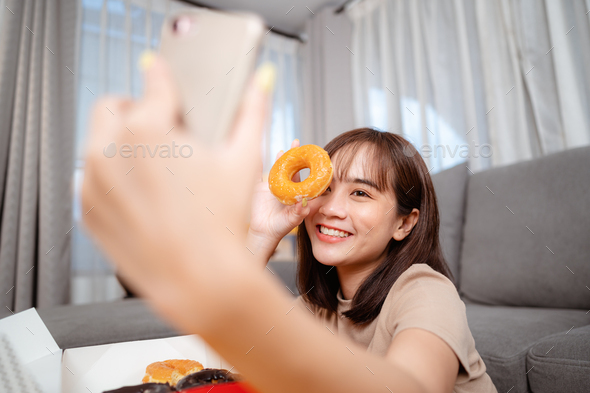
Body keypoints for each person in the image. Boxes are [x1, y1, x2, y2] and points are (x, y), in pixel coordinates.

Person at [82, 51, 497, 393]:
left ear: (404, 224)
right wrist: (261, 231)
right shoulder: (320, 307)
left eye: (360, 192)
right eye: (325, 189)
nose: (330, 208)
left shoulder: (425, 290)